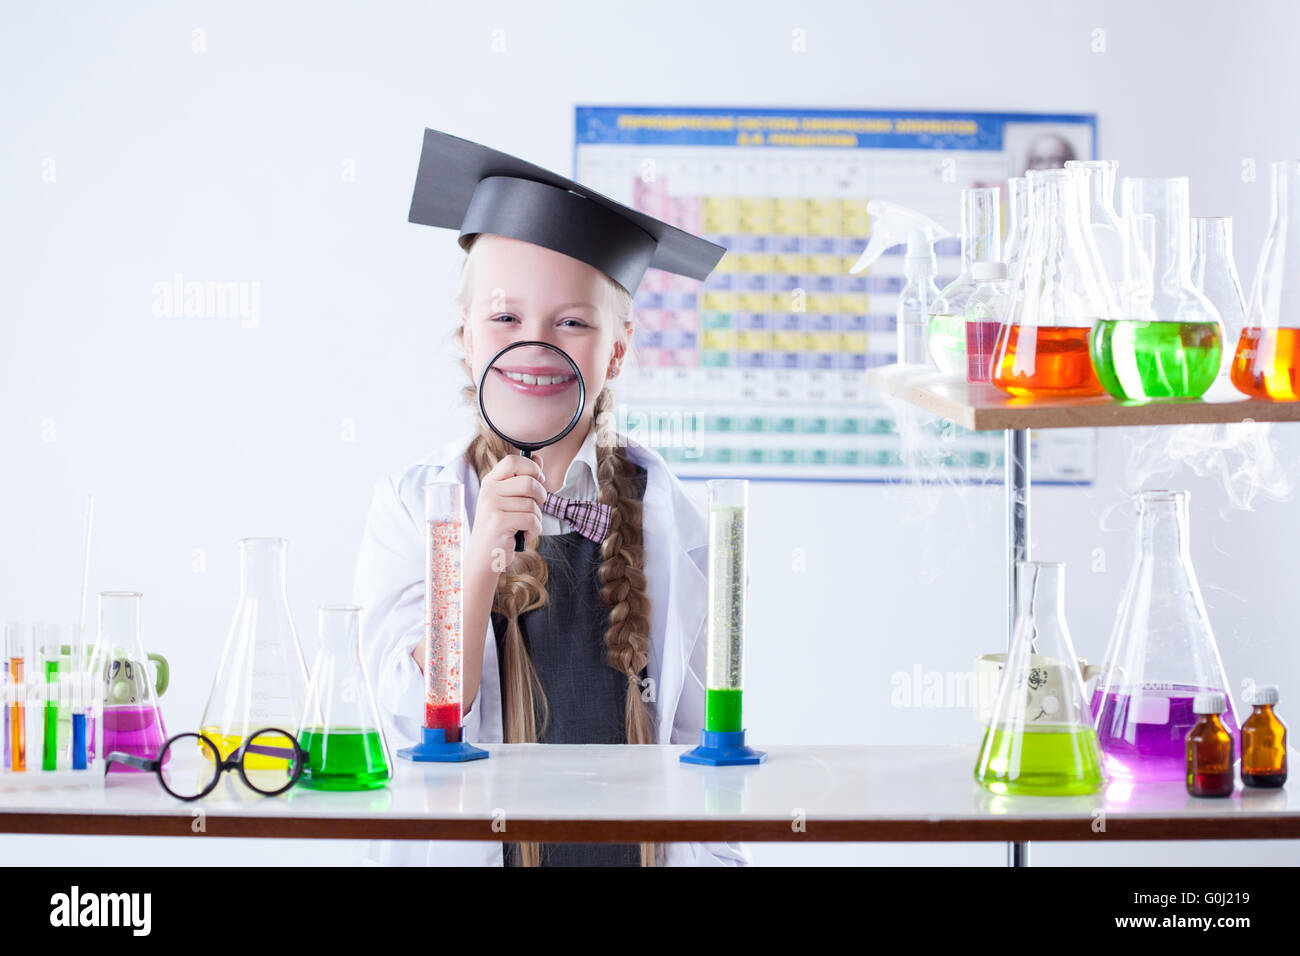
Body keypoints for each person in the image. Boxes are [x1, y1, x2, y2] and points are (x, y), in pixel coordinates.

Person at [351, 129, 752, 867]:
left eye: (571, 322)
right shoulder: (415, 505)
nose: (535, 347)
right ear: (469, 341)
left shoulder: (669, 513)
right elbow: (405, 720)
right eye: (505, 319)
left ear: (619, 350)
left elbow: (705, 760)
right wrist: (474, 562)